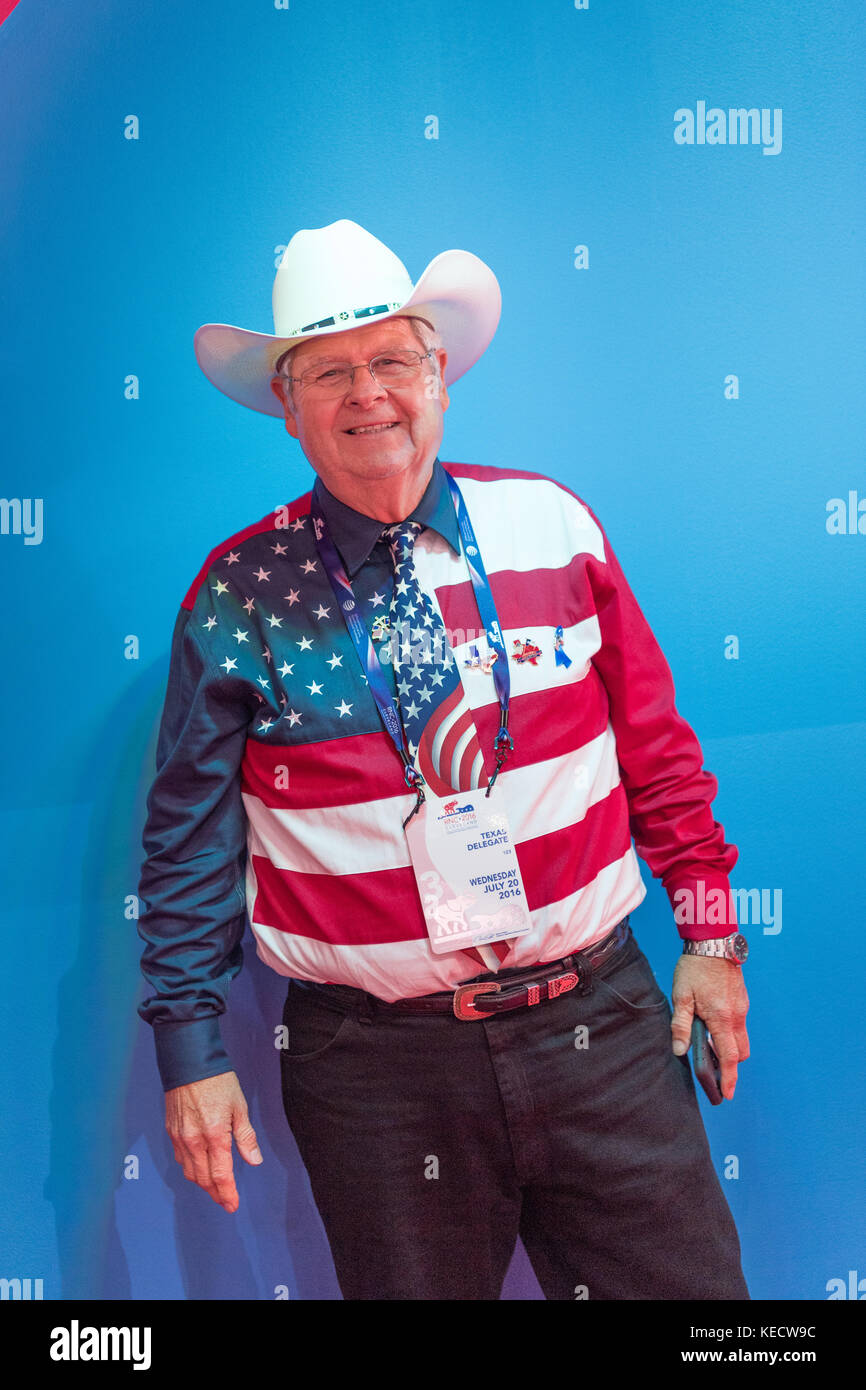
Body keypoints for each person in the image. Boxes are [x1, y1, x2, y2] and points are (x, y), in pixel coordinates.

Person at [137, 218, 750, 1300]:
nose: (367, 393)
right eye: (329, 370)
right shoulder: (238, 596)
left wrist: (709, 936)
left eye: (391, 360)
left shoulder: (552, 527)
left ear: (440, 377)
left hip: (598, 1027)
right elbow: (187, 843)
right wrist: (193, 1052)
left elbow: (653, 750)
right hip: (377, 1073)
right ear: (285, 404)